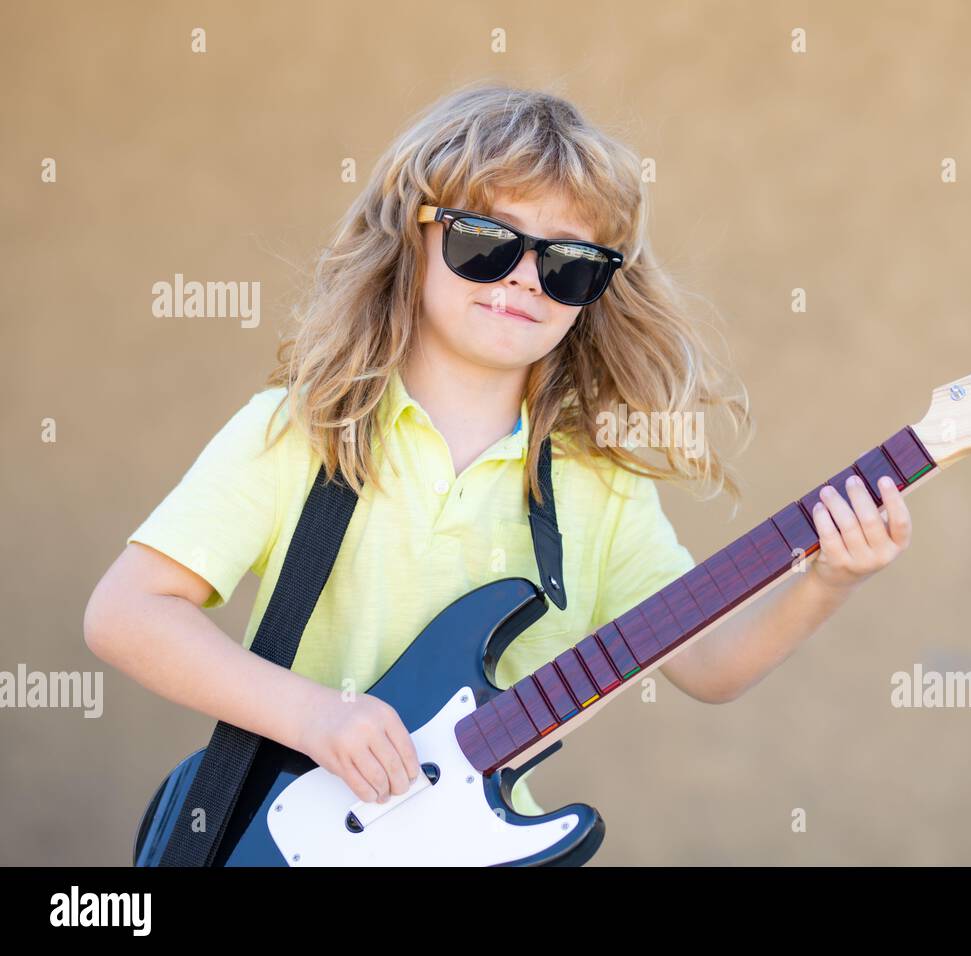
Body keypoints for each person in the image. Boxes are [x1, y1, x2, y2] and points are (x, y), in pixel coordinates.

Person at [83, 83, 911, 822]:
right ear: (414, 239)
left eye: (568, 263)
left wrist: (827, 581)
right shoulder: (301, 429)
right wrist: (315, 717)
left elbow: (707, 664)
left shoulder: (601, 482)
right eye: (488, 242)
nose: (524, 279)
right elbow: (126, 614)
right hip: (290, 835)